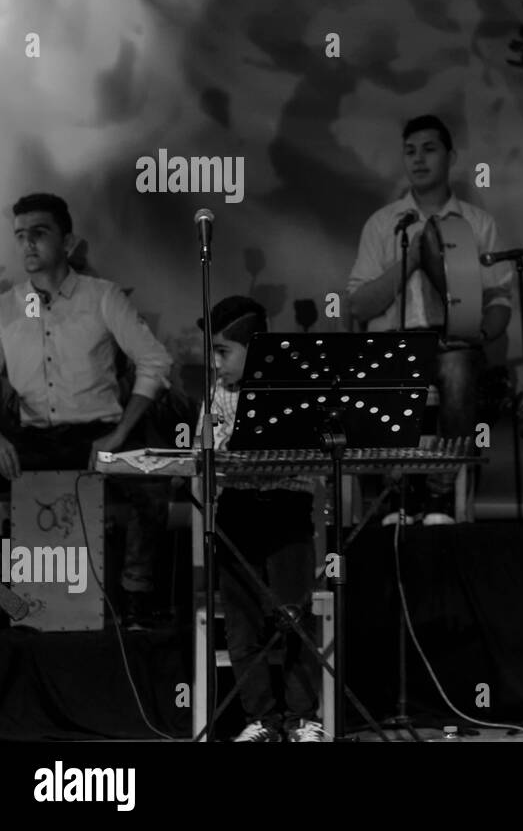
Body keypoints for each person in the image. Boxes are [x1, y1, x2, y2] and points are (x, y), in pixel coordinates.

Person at [0, 193, 172, 627]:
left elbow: (156, 361)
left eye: (39, 233)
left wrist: (120, 433)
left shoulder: (101, 297)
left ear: (67, 242)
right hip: (32, 439)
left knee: (154, 486)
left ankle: (135, 599)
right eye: (20, 236)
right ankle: (2, 596)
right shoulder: (4, 309)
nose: (28, 244)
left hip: (100, 433)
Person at [347, 115, 511, 523]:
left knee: (458, 366)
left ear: (450, 156)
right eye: (410, 151)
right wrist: (412, 260)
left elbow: (499, 299)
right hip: (395, 341)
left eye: (429, 149)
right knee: (386, 365)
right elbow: (360, 306)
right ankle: (396, 492)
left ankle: (440, 494)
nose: (418, 159)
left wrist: (481, 333)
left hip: (453, 341)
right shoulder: (385, 224)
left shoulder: (477, 224)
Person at [200, 295, 327, 742]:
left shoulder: (292, 389)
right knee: (242, 622)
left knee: (294, 616)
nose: (216, 363)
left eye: (223, 352)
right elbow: (208, 452)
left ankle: (302, 718)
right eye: (212, 352)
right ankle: (261, 719)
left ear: (255, 347)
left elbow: (313, 459)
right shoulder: (214, 395)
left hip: (287, 509)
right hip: (237, 511)